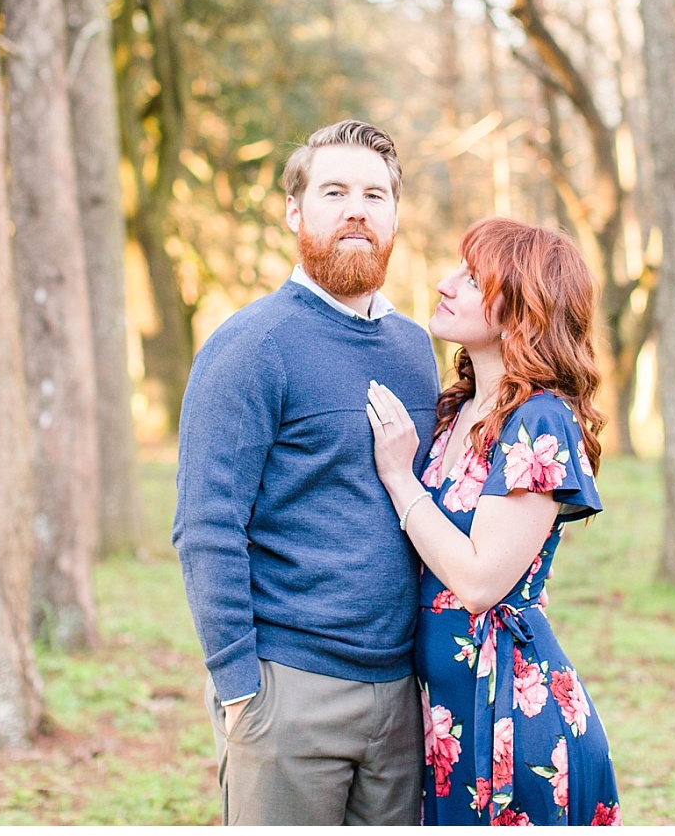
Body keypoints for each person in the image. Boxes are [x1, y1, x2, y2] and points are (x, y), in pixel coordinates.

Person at [172, 120, 439, 825]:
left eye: (375, 193)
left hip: (404, 694)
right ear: (295, 211)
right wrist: (239, 687)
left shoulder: (416, 349)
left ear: (394, 214)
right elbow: (206, 526)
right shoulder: (251, 346)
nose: (357, 208)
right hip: (289, 690)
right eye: (335, 191)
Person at [366, 217, 622, 826]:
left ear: (522, 308)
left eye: (472, 277)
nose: (444, 282)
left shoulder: (539, 422)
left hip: (512, 718)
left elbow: (479, 583)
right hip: (445, 716)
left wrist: (400, 479)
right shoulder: (454, 412)